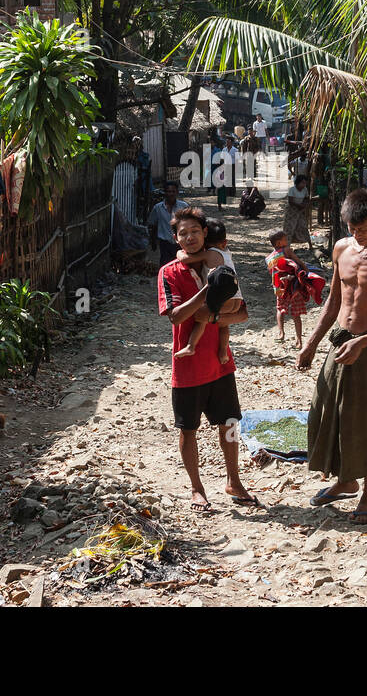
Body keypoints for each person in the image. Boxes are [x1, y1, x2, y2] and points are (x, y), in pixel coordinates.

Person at [296, 189, 367, 526]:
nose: (357, 236)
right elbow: (333, 303)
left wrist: (365, 342)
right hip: (337, 343)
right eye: (352, 228)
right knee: (325, 412)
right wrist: (312, 344)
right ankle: (345, 480)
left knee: (364, 420)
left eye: (364, 229)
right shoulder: (342, 249)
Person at [158, 207, 259, 512]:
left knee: (229, 423)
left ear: (205, 234)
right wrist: (206, 294)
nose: (189, 237)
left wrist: (209, 314)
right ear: (176, 238)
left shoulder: (221, 266)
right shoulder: (168, 272)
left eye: (195, 231)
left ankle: (233, 480)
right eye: (183, 233)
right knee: (188, 429)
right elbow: (176, 317)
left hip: (220, 364)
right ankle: (196, 488)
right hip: (187, 367)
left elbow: (241, 312)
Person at [174, 219, 242, 363]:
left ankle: (191, 345)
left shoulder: (210, 253)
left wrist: (179, 252)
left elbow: (185, 259)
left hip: (223, 297)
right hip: (236, 297)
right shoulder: (226, 252)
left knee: (201, 317)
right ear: (225, 242)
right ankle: (223, 351)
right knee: (224, 325)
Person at [266, 230, 309, 348]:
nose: (287, 241)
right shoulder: (287, 250)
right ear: (279, 242)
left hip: (279, 287)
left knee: (280, 309)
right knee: (296, 314)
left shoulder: (269, 257)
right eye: (285, 239)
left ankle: (281, 333)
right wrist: (305, 269)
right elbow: (297, 261)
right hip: (293, 286)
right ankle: (299, 340)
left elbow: (273, 273)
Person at [146, 180, 187, 272]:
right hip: (165, 243)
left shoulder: (184, 207)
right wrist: (153, 241)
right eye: (168, 191)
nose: (171, 194)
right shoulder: (158, 208)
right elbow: (153, 225)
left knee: (181, 266)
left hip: (180, 242)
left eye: (173, 191)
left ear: (177, 192)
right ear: (165, 193)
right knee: (165, 267)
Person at [283, 174, 312, 253]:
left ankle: (310, 245)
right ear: (298, 182)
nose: (303, 185)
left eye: (305, 183)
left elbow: (307, 198)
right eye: (302, 183)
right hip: (292, 211)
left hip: (300, 211)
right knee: (289, 228)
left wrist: (304, 205)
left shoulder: (305, 189)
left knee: (303, 226)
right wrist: (300, 205)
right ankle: (287, 246)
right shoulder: (292, 189)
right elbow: (291, 201)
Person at [214, 136, 239, 213]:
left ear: (231, 142)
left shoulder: (235, 150)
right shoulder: (224, 149)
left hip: (233, 165)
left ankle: (232, 192)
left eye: (228, 141)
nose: (227, 143)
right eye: (226, 141)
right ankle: (227, 193)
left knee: (232, 178)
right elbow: (221, 158)